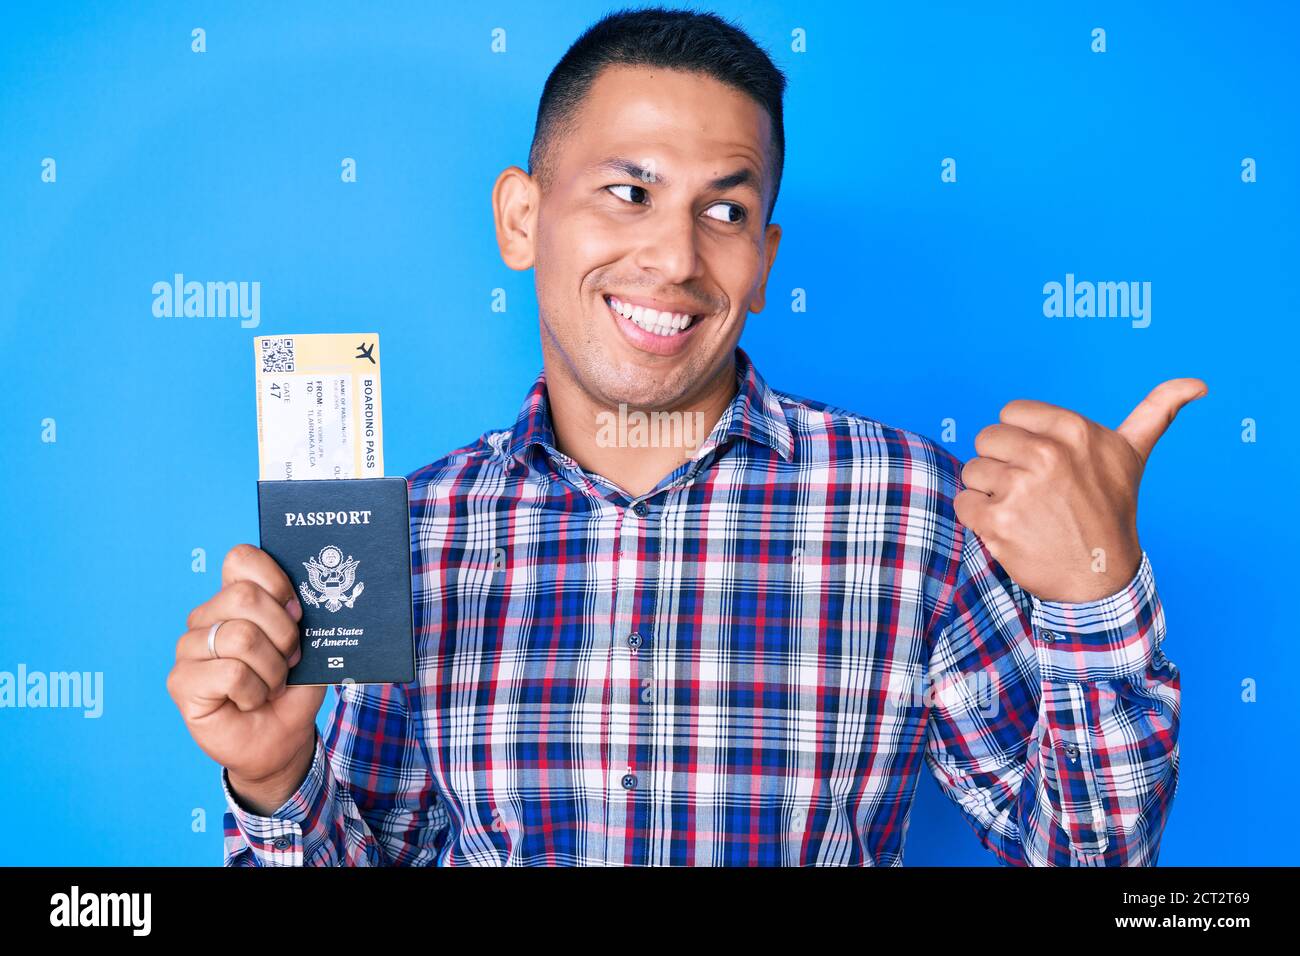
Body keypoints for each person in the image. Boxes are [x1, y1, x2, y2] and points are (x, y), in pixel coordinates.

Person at [167, 7, 1201, 866]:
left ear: (762, 258)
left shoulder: (912, 514)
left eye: (725, 211)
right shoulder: (405, 534)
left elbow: (1093, 859)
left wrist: (1090, 598)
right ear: (521, 219)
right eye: (629, 193)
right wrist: (271, 778)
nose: (673, 255)